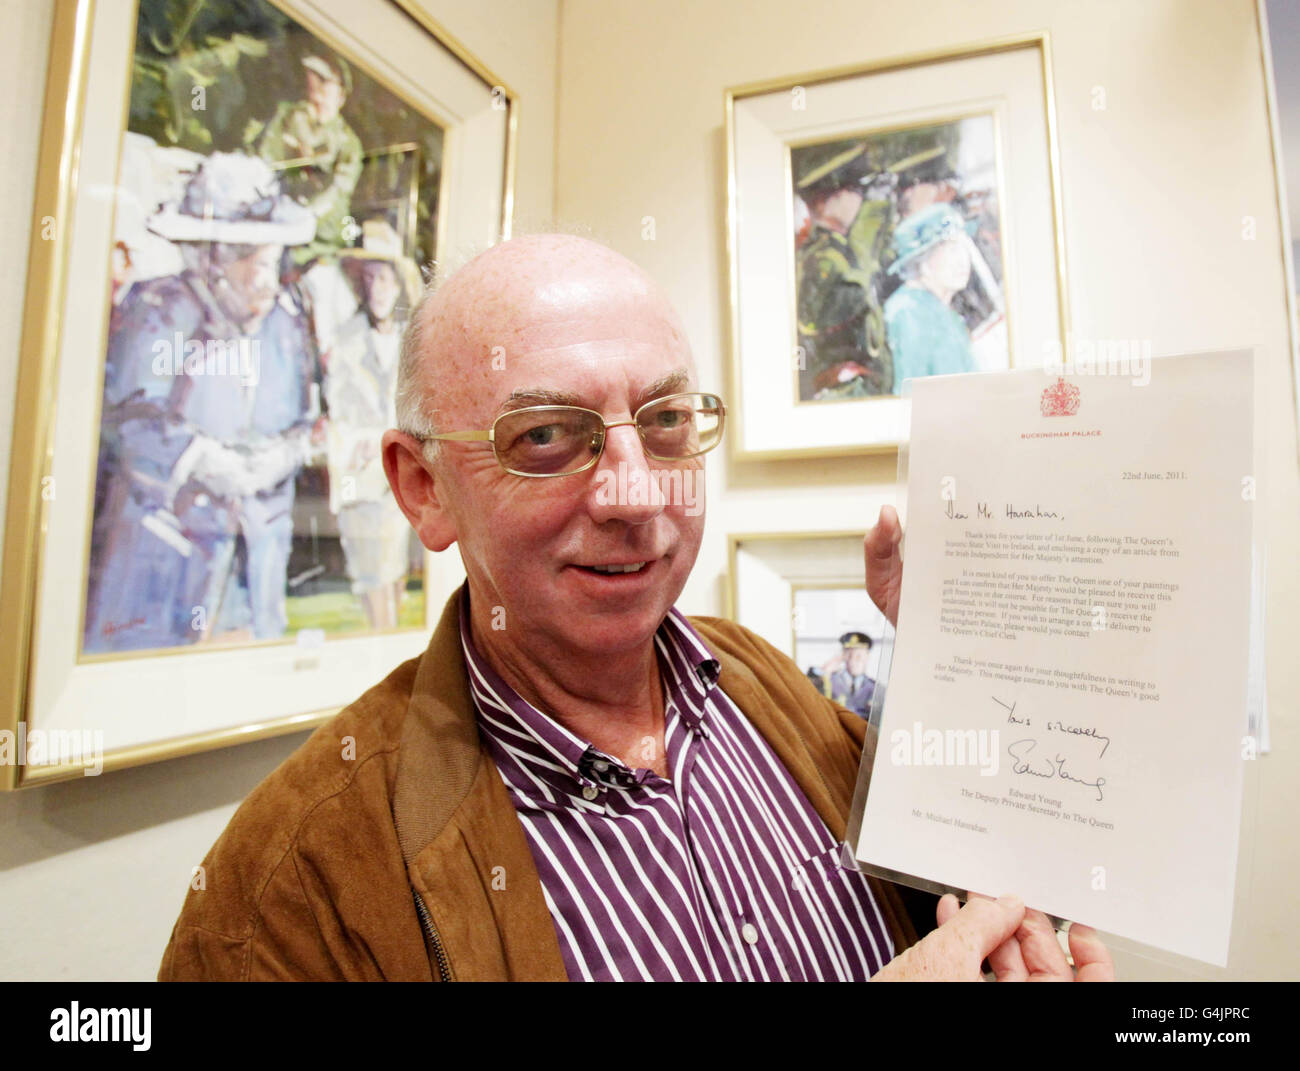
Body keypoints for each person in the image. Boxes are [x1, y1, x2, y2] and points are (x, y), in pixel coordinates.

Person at [157, 234, 1113, 981]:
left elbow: (957, 863)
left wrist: (961, 653)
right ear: (423, 488)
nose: (638, 495)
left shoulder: (759, 679)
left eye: (664, 423)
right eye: (543, 435)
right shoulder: (291, 887)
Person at [86, 152, 318, 652]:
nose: (262, 275)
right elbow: (128, 420)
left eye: (270, 257)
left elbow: (305, 419)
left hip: (256, 560)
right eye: (243, 256)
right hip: (163, 557)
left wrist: (281, 456)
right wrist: (206, 460)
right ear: (202, 255)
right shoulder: (159, 309)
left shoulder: (287, 322)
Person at [324, 219, 423, 629]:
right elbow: (338, 406)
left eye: (383, 278)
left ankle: (391, 647)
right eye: (368, 279)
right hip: (362, 472)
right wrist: (360, 440)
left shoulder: (414, 341)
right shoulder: (347, 339)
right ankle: (378, 644)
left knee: (395, 565)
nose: (376, 288)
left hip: (403, 470)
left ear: (398, 283)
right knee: (370, 571)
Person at [248, 53, 363, 263]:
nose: (316, 86)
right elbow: (264, 160)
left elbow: (336, 191)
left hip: (319, 239)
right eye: (312, 77)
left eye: (325, 81)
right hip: (273, 218)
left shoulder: (348, 142)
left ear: (341, 96)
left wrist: (303, 215)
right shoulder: (290, 117)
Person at [884, 202, 978, 393]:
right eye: (951, 250)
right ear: (922, 261)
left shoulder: (938, 306)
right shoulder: (909, 312)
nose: (963, 259)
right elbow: (912, 397)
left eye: (963, 248)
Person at [815, 630, 876, 719]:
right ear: (843, 655)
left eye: (858, 655)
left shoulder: (875, 688)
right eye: (849, 654)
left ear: (867, 656)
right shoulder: (828, 679)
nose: (853, 659)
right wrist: (824, 671)